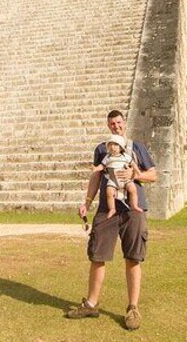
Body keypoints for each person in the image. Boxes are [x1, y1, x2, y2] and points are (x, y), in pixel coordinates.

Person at [66, 110, 157, 330]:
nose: (115, 126)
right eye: (111, 123)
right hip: (108, 208)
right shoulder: (102, 149)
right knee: (97, 254)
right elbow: (96, 176)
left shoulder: (136, 147)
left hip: (132, 209)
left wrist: (135, 176)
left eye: (118, 122)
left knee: (133, 257)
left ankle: (133, 307)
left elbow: (153, 175)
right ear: (108, 126)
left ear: (124, 123)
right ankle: (91, 304)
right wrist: (87, 202)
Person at [93, 134, 143, 218]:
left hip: (124, 179)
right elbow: (102, 166)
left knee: (132, 189)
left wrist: (138, 172)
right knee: (109, 192)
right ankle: (112, 208)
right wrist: (95, 168)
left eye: (115, 145)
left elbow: (133, 164)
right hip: (113, 179)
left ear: (121, 147)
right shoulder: (108, 158)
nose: (113, 147)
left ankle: (134, 205)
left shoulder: (125, 157)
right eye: (110, 145)